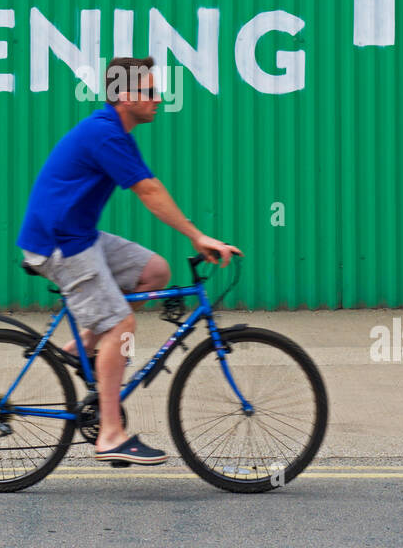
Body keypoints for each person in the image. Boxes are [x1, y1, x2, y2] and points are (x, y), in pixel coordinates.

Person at [16, 56, 241, 465]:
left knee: (155, 271)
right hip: (58, 243)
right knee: (122, 324)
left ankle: (81, 347)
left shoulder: (116, 131)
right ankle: (110, 435)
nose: (160, 98)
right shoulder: (105, 134)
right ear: (126, 96)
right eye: (152, 92)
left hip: (78, 234)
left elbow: (150, 188)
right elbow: (150, 192)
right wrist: (198, 236)